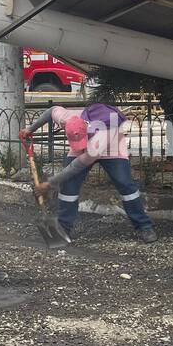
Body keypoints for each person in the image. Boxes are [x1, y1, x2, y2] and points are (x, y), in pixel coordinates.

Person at [23, 102, 157, 243]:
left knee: (125, 185)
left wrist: (49, 184)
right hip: (90, 143)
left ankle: (144, 226)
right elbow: (51, 111)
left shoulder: (99, 140)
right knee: (69, 186)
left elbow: (75, 167)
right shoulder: (67, 118)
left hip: (112, 147)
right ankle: (63, 229)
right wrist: (30, 129)